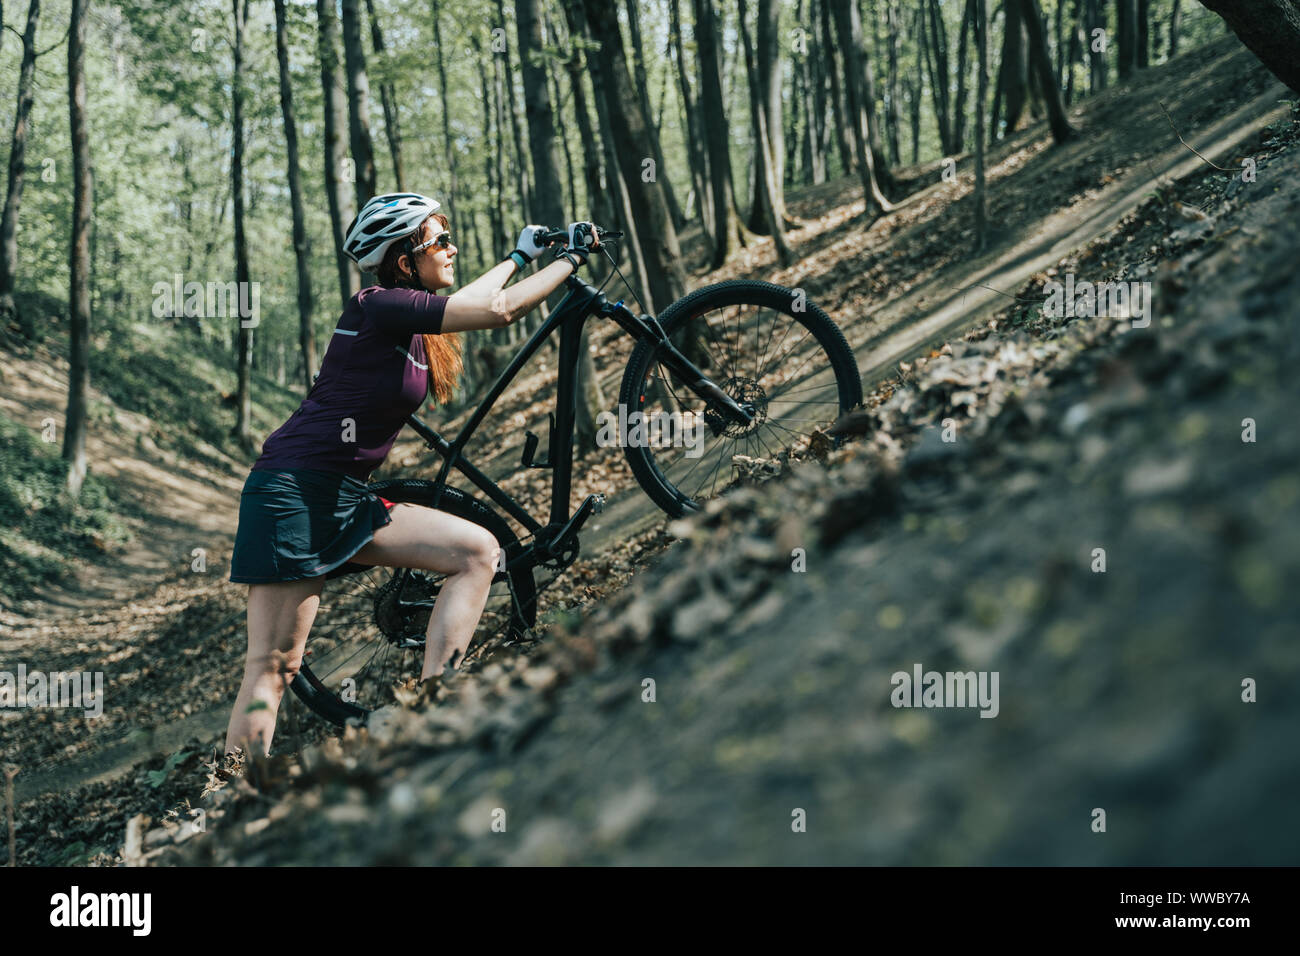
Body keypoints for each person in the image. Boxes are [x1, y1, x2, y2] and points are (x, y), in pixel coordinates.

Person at [223, 191, 598, 758]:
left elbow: (477, 300)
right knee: (274, 665)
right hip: (294, 491)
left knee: (477, 552)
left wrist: (520, 259)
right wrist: (568, 262)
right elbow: (499, 311)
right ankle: (233, 792)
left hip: (344, 495)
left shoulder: (408, 315)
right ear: (405, 260)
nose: (451, 249)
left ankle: (432, 714)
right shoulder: (378, 304)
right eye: (439, 240)